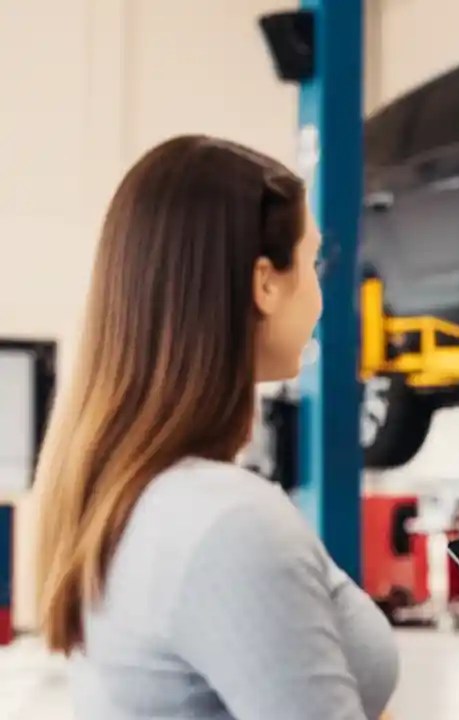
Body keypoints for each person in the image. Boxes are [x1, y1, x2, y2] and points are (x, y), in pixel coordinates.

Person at [31, 135, 399, 720]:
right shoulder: (230, 522)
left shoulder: (133, 496)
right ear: (265, 282)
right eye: (313, 263)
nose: (322, 298)